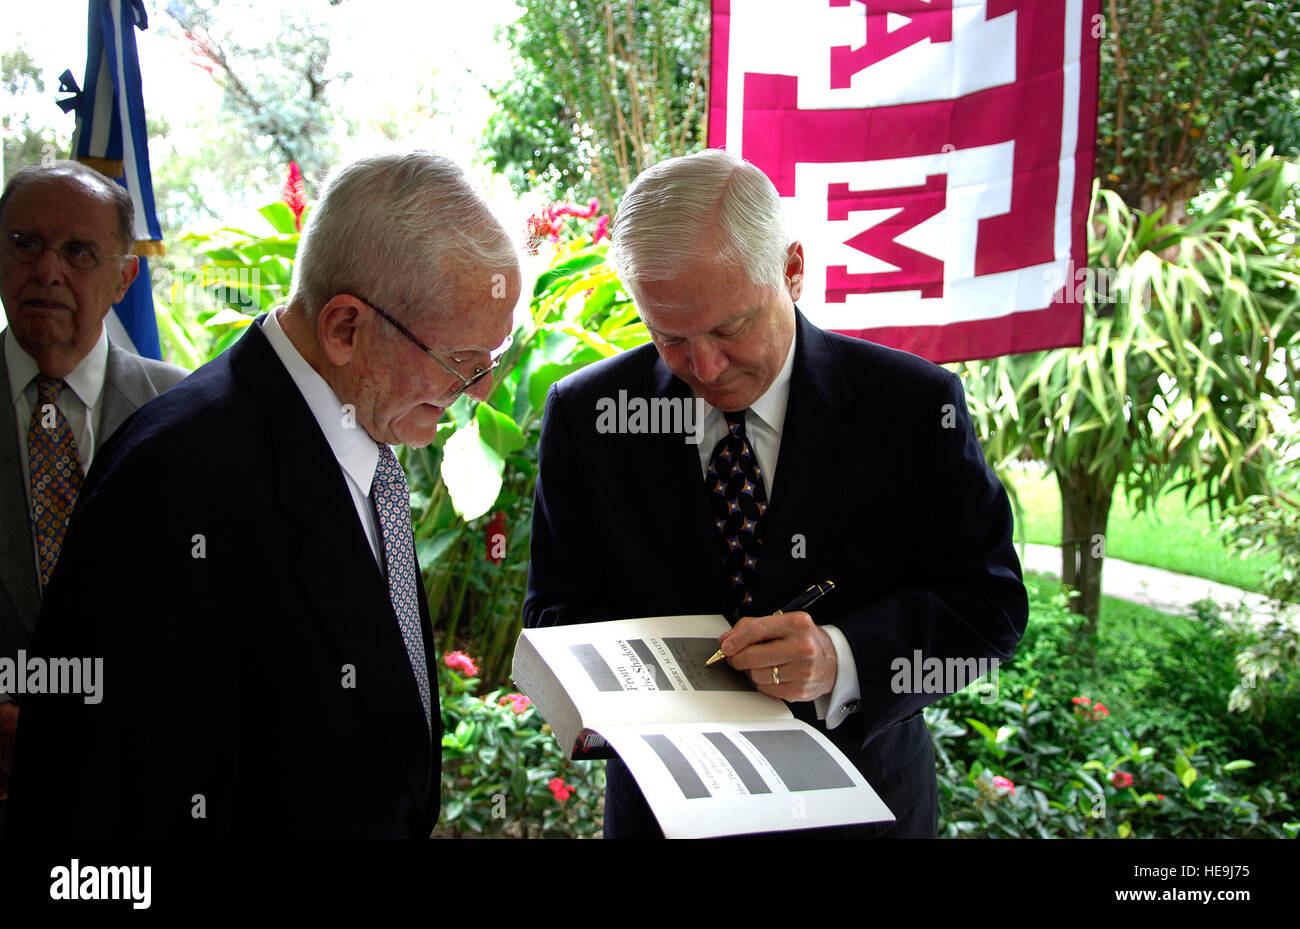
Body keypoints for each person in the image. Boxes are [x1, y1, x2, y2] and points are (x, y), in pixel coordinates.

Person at [8, 151, 521, 837]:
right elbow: (105, 803)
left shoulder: (359, 437)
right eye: (462, 361)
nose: (482, 387)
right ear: (345, 328)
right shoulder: (172, 484)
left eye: (494, 357)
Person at [523, 149, 1028, 838]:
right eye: (667, 335)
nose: (703, 366)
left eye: (730, 328)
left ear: (792, 269)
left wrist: (841, 657)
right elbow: (557, 610)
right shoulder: (590, 414)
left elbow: (989, 605)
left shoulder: (911, 406)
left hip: (862, 812)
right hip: (662, 819)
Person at [0, 161, 188, 832]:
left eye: (79, 251)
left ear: (123, 277)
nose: (48, 270)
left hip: (139, 798)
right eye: (25, 243)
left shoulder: (191, 411)